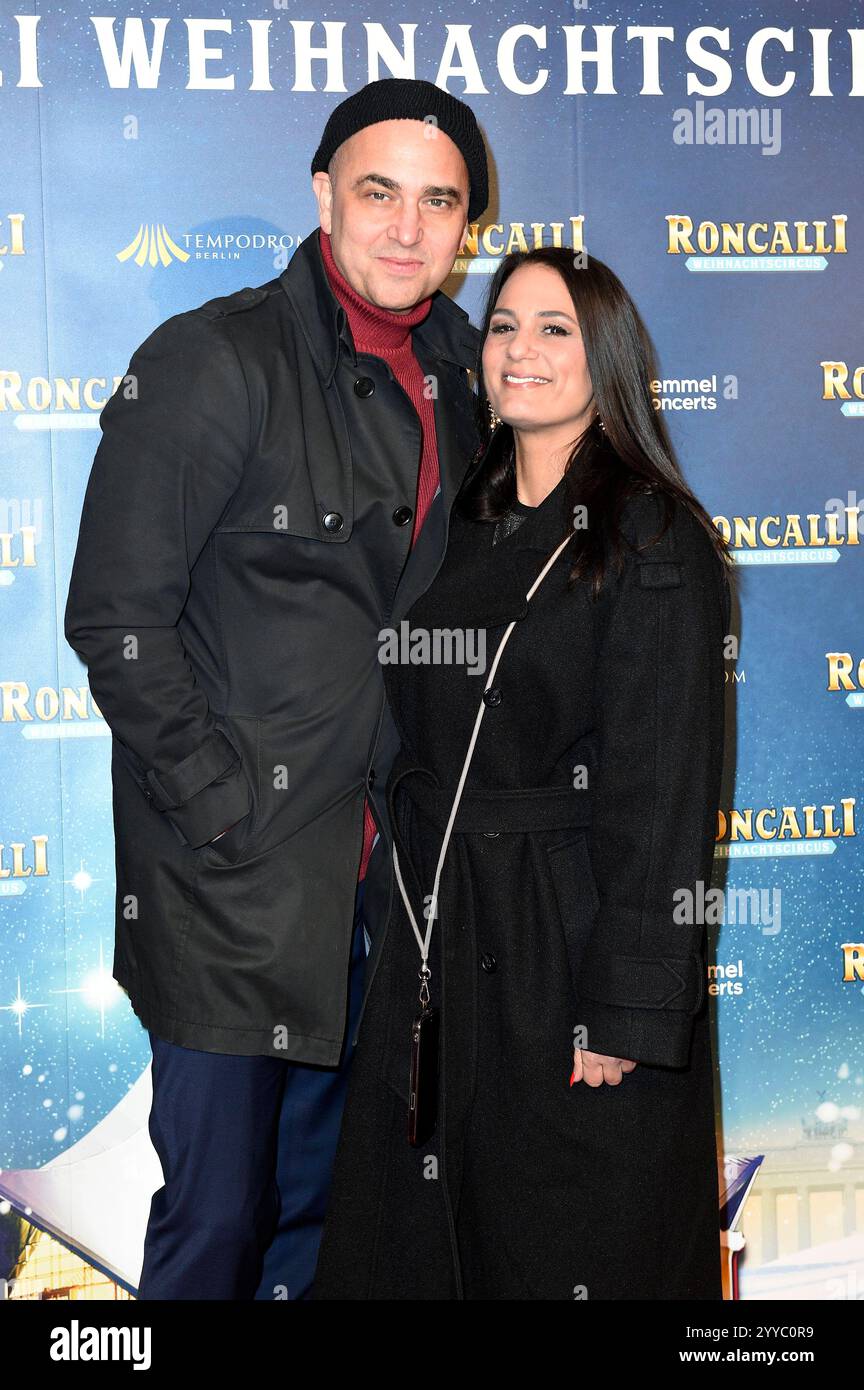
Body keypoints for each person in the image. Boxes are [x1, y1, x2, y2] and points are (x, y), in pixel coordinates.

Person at [63, 77, 489, 1300]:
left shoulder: (469, 369)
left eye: (439, 201)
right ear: (322, 196)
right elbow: (117, 616)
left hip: (384, 891)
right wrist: (221, 808)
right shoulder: (212, 357)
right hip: (229, 890)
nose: (407, 228)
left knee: (324, 1226)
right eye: (378, 192)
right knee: (216, 1223)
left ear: (467, 224)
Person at [312, 246, 736, 1300]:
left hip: (570, 952)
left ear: (612, 360)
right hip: (440, 948)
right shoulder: (462, 522)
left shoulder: (653, 535)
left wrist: (629, 1009)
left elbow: (666, 792)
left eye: (556, 328)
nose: (521, 349)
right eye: (503, 325)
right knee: (424, 1243)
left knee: (568, 1246)